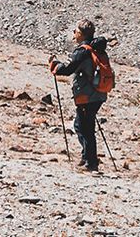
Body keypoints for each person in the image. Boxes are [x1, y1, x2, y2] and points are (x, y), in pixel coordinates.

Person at [49, 19, 111, 172]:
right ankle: (87, 157)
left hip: (86, 94)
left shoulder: (82, 51)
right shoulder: (98, 49)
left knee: (85, 127)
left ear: (81, 34)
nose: (74, 34)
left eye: (75, 31)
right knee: (81, 124)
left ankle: (91, 163)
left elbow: (68, 69)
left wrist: (55, 65)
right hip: (99, 93)